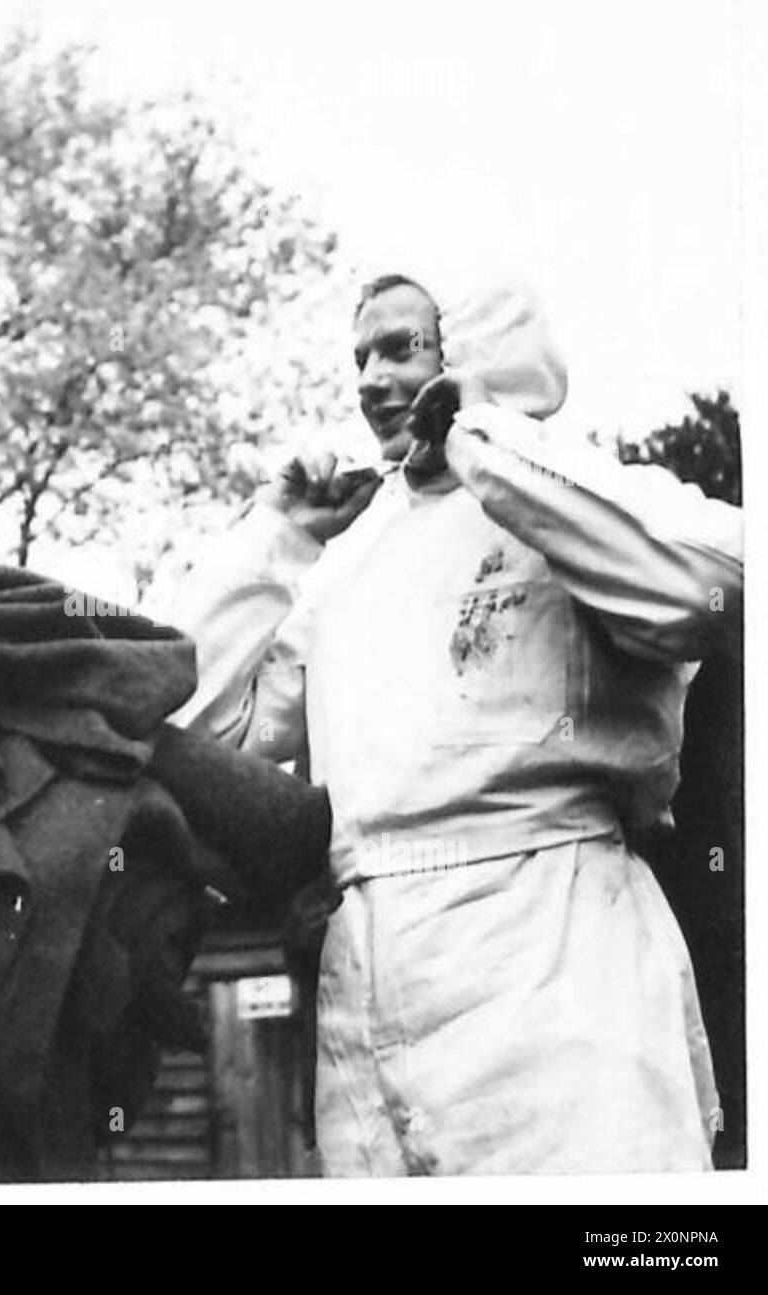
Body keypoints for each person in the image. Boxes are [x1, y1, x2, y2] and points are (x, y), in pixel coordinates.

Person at [146, 266, 743, 1175]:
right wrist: (278, 535)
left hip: (552, 953)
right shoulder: (347, 565)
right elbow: (192, 726)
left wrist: (485, 437)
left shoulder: (567, 494)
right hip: (363, 982)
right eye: (358, 358)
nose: (371, 380)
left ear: (473, 349)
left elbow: (717, 588)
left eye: (400, 348)